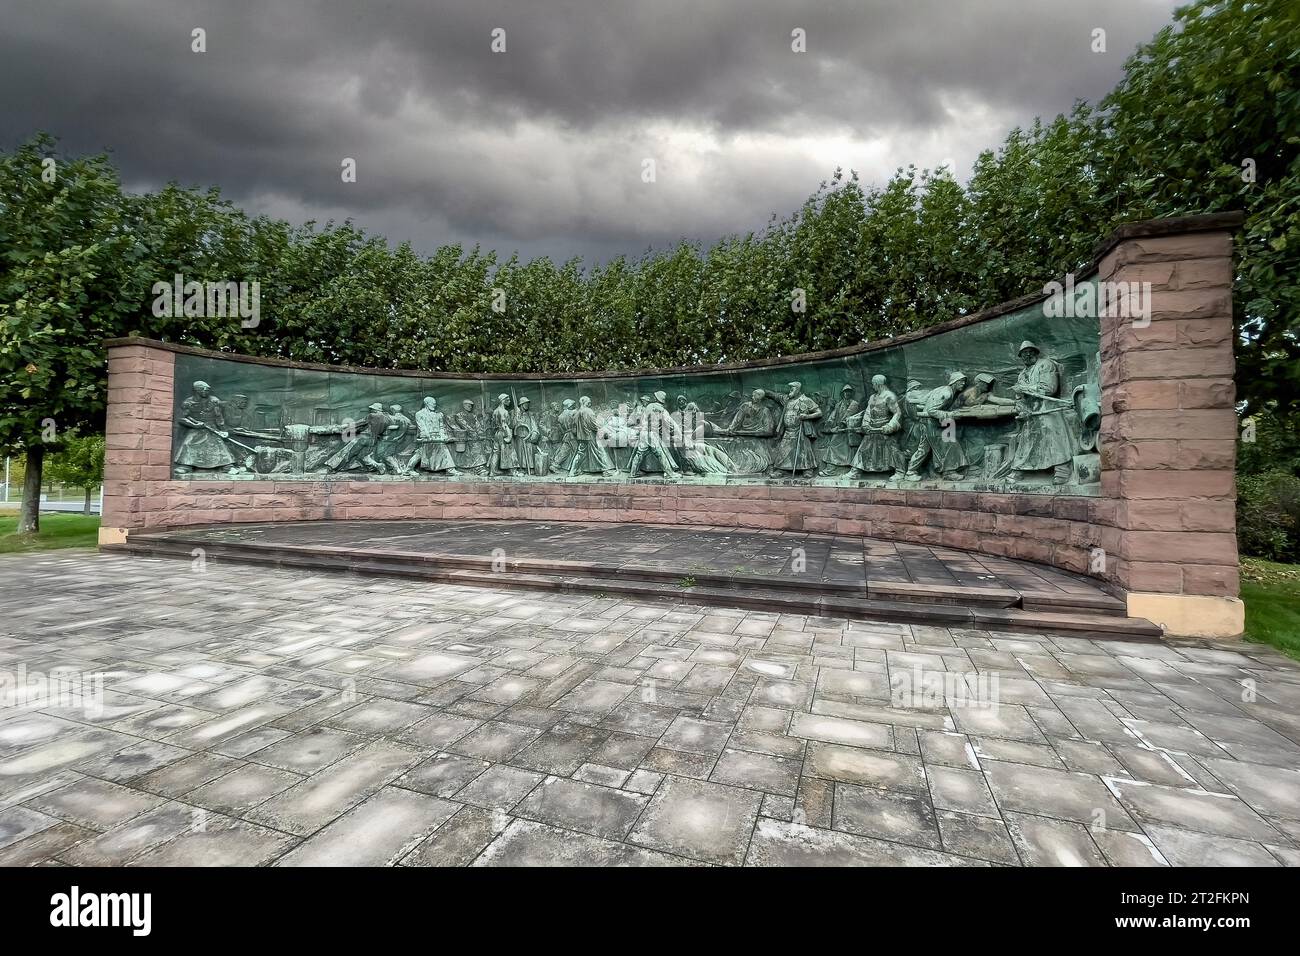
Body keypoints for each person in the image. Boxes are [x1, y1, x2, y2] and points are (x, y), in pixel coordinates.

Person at [987, 341, 1076, 484]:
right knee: (1026, 440)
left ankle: (1062, 469)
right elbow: (1020, 397)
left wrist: (1026, 389)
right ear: (1021, 356)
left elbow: (1049, 388)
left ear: (1036, 352)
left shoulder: (1045, 364)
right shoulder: (1022, 374)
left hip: (1047, 409)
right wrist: (1021, 406)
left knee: (1053, 437)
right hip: (1031, 412)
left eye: (1030, 351)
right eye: (1024, 353)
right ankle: (1019, 470)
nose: (1027, 355)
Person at [904, 373, 968, 481]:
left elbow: (924, 401)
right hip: (931, 424)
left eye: (964, 381)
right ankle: (949, 472)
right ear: (954, 382)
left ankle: (910, 471)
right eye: (961, 381)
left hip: (928, 423)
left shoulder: (942, 389)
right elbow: (931, 411)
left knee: (924, 449)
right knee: (950, 444)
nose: (963, 384)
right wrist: (950, 414)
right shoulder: (947, 393)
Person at [174, 381, 237, 475]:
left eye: (207, 390)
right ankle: (186, 466)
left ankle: (227, 466)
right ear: (196, 390)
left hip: (211, 427)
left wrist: (223, 430)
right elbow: (182, 418)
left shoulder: (214, 400)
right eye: (203, 389)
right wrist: (195, 425)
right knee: (188, 443)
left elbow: (218, 417)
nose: (206, 391)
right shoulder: (188, 402)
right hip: (196, 428)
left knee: (218, 444)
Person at [848, 375, 902, 478]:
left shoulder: (889, 396)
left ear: (878, 384)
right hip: (872, 429)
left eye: (874, 384)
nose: (873, 387)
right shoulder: (873, 397)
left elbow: (897, 413)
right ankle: (855, 471)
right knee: (863, 449)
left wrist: (890, 425)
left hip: (884, 428)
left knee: (892, 450)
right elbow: (868, 411)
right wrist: (865, 423)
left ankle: (899, 471)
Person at [770, 381, 822, 476]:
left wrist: (807, 416)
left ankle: (807, 470)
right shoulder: (787, 399)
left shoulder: (805, 400)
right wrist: (765, 393)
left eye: (792, 388)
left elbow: (819, 412)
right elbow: (776, 396)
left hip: (800, 430)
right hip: (788, 431)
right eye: (790, 388)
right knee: (784, 450)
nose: (790, 390)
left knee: (804, 450)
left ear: (798, 390)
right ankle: (781, 469)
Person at [320, 402, 389, 474]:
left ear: (375, 409)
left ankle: (333, 468)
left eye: (372, 409)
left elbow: (359, 423)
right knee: (363, 457)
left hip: (363, 438)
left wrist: (344, 427)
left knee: (347, 453)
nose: (370, 410)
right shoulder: (386, 419)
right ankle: (379, 466)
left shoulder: (372, 416)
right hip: (373, 440)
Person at [627, 390, 682, 478]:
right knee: (661, 454)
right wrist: (675, 432)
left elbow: (642, 420)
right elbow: (669, 424)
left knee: (639, 453)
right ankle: (669, 473)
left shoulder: (648, 406)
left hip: (643, 433)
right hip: (652, 434)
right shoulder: (663, 410)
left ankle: (632, 473)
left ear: (656, 398)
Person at [406, 397, 460, 475]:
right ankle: (408, 470)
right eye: (433, 403)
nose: (435, 405)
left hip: (438, 437)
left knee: (444, 451)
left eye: (435, 403)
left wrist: (443, 436)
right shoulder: (419, 414)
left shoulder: (439, 414)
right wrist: (428, 436)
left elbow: (441, 427)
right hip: (426, 437)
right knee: (421, 454)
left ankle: (450, 469)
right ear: (426, 404)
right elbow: (422, 426)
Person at [571, 396, 616, 477]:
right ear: (585, 402)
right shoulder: (588, 411)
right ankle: (605, 470)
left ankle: (572, 471)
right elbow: (594, 424)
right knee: (600, 451)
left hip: (581, 437)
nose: (590, 403)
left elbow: (574, 426)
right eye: (589, 402)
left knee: (580, 453)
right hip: (590, 436)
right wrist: (602, 429)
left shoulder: (577, 412)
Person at [819, 384, 861, 470]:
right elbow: (833, 414)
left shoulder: (854, 404)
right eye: (845, 391)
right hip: (839, 430)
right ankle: (833, 466)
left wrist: (842, 424)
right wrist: (829, 422)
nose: (847, 393)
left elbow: (849, 415)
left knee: (838, 445)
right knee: (834, 444)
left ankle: (832, 468)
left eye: (849, 391)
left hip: (848, 430)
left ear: (851, 393)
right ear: (843, 393)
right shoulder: (839, 404)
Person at [450, 399, 488, 473]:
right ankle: (464, 467)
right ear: (464, 406)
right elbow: (464, 425)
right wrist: (473, 433)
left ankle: (479, 466)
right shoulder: (459, 415)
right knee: (465, 454)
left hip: (474, 436)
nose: (470, 407)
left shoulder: (473, 415)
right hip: (464, 437)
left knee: (478, 450)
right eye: (468, 405)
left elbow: (478, 425)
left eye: (471, 406)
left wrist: (480, 432)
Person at [487, 394, 520, 475]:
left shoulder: (495, 411)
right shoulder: (504, 412)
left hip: (497, 433)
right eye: (507, 400)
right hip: (505, 433)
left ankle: (492, 471)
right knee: (510, 451)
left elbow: (494, 425)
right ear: (503, 401)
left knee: (496, 451)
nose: (509, 402)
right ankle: (512, 471)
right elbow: (507, 425)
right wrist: (516, 416)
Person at [514, 396, 543, 475]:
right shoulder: (515, 413)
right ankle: (521, 468)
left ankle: (530, 467)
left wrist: (534, 433)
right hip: (519, 437)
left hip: (528, 437)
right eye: (525, 403)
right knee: (520, 452)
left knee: (529, 451)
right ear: (521, 404)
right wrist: (516, 417)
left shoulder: (530, 415)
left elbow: (534, 425)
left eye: (528, 404)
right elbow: (513, 425)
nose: (527, 405)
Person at [549, 399, 579, 473]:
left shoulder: (561, 415)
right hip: (572, 435)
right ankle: (576, 469)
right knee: (576, 450)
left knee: (565, 449)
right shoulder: (573, 413)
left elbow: (560, 426)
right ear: (570, 405)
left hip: (566, 435)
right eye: (573, 405)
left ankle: (555, 464)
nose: (574, 406)